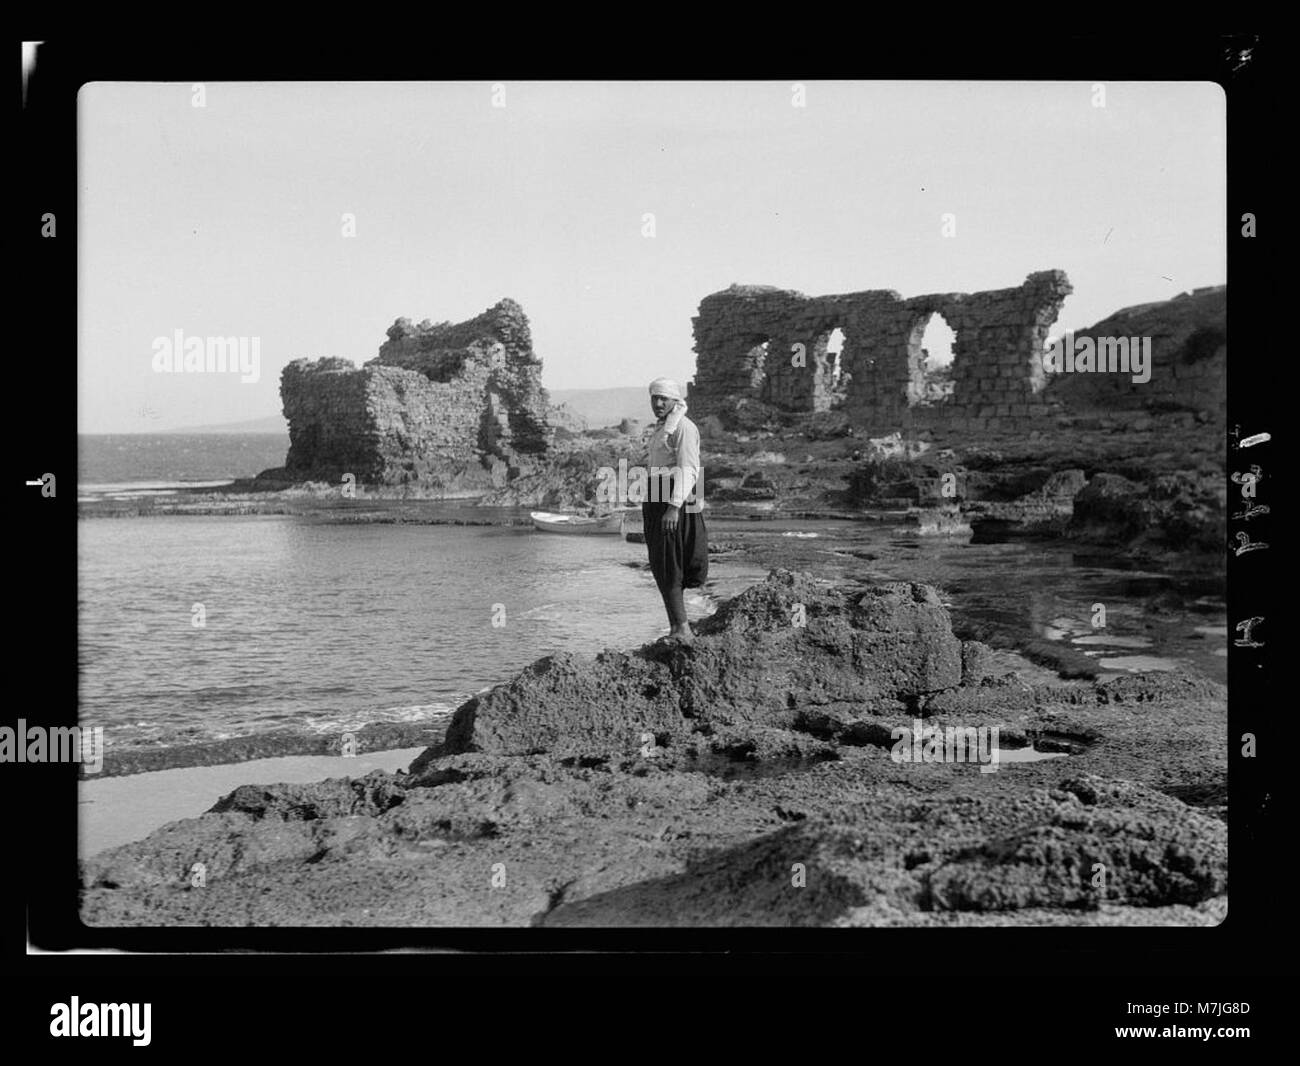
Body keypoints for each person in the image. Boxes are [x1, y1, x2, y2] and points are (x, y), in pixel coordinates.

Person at [643, 377, 707, 644]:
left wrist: (673, 507)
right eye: (654, 398)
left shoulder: (684, 428)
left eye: (664, 399)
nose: (658, 404)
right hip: (658, 497)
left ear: (674, 401)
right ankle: (677, 627)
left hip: (672, 501)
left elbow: (689, 469)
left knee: (670, 562)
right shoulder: (663, 429)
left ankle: (682, 630)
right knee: (663, 564)